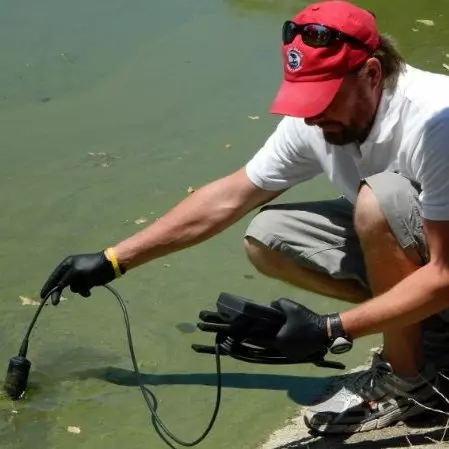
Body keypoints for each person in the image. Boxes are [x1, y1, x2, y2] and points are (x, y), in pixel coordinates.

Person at [40, 0, 449, 435]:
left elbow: (444, 274)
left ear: (370, 73)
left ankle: (411, 383)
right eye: (304, 96)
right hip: (428, 248)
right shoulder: (317, 122)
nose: (311, 113)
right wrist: (114, 260)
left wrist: (329, 329)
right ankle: (427, 332)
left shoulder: (434, 120)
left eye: (324, 97)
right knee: (268, 237)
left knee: (377, 200)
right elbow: (230, 197)